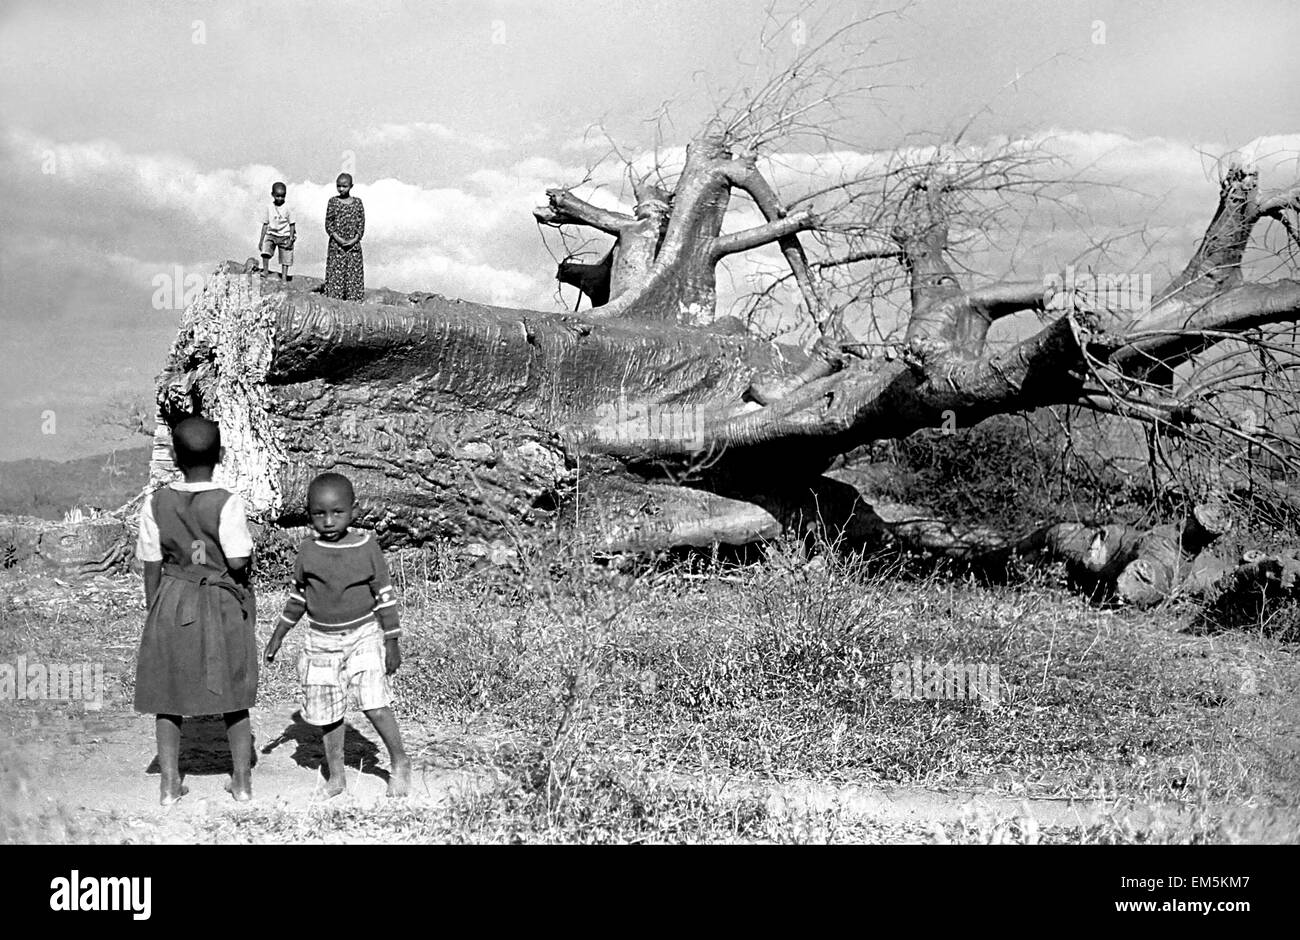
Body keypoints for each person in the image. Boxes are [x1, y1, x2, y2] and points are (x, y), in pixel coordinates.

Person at [133, 417, 258, 804]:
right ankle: (240, 782)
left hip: (172, 597)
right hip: (219, 601)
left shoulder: (155, 502)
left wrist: (155, 606)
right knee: (233, 688)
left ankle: (170, 784)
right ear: (220, 455)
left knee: (168, 690)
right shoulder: (227, 501)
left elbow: (151, 562)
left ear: (172, 456)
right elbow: (237, 561)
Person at [263, 472, 410, 797]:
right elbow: (299, 596)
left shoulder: (365, 546)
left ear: (353, 511)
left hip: (363, 635)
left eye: (337, 512)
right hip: (322, 640)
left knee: (373, 703)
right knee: (328, 711)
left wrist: (392, 640)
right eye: (319, 513)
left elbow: (384, 595)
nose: (328, 521)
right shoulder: (308, 550)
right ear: (309, 513)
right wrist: (279, 633)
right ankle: (337, 777)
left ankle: (399, 761)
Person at [323, 173, 365, 301]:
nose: (341, 189)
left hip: (353, 247)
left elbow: (361, 223)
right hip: (337, 246)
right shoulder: (333, 202)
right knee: (336, 277)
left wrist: (354, 240)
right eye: (338, 186)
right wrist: (338, 239)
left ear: (351, 186)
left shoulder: (358, 203)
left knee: (353, 276)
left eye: (344, 186)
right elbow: (328, 223)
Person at [258, 181, 297, 281]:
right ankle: (265, 271)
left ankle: (284, 277)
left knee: (286, 257)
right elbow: (265, 224)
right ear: (273, 195)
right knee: (266, 251)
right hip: (271, 234)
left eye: (282, 196)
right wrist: (261, 240)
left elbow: (292, 224)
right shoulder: (269, 208)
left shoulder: (288, 208)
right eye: (277, 196)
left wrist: (291, 238)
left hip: (284, 235)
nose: (280, 198)